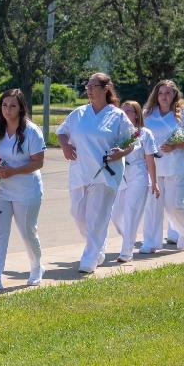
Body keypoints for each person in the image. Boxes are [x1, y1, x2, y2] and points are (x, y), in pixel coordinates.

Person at [57, 72, 136, 272]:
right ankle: (98, 246)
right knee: (77, 214)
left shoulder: (117, 115)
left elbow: (131, 141)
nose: (89, 90)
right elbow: (62, 132)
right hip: (80, 172)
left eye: (93, 86)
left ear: (105, 88)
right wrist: (66, 146)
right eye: (88, 87)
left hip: (105, 173)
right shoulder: (79, 113)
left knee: (96, 216)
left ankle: (89, 259)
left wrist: (121, 152)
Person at [0, 89, 46, 289]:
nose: (7, 110)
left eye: (12, 106)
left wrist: (14, 171)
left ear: (21, 108)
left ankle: (36, 268)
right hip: (1, 190)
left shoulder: (31, 131)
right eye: (4, 105)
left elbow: (38, 162)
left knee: (27, 231)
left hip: (26, 190)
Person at [140, 79, 184, 253]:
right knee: (153, 206)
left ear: (174, 94)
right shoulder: (148, 113)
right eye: (160, 93)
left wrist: (176, 146)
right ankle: (151, 242)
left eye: (168, 93)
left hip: (177, 166)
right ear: (155, 95)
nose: (164, 96)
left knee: (174, 205)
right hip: (154, 167)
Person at [110, 100, 160, 261]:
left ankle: (126, 252)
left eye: (129, 111)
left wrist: (155, 183)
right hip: (121, 178)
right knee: (116, 216)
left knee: (131, 213)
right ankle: (130, 237)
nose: (124, 114)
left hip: (139, 177)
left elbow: (150, 159)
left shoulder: (145, 133)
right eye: (122, 110)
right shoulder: (116, 132)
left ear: (137, 115)